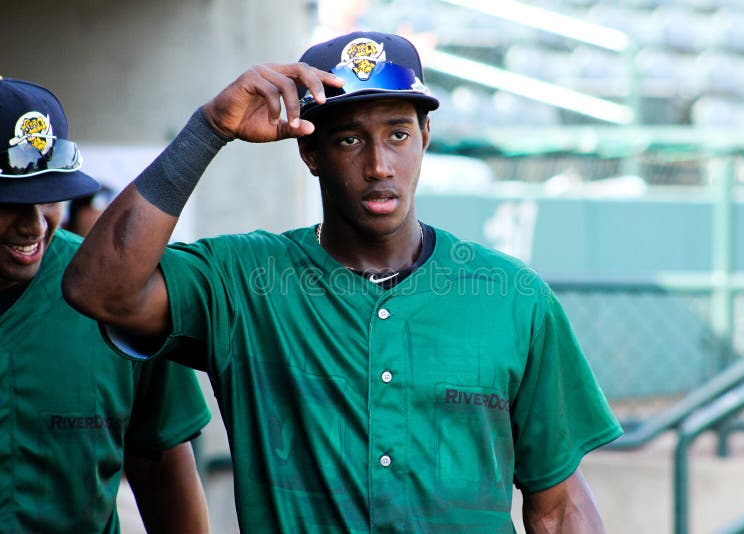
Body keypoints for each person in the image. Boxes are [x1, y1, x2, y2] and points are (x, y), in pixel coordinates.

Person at [63, 32, 623, 532]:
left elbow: (558, 506)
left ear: (426, 136)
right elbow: (98, 288)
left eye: (398, 134)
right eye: (350, 140)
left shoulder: (513, 297)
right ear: (310, 151)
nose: (379, 165)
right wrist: (207, 129)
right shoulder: (244, 280)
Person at [0, 77, 212, 533]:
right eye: (10, 200)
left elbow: (161, 465)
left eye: (48, 196)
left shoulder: (117, 293)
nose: (34, 225)